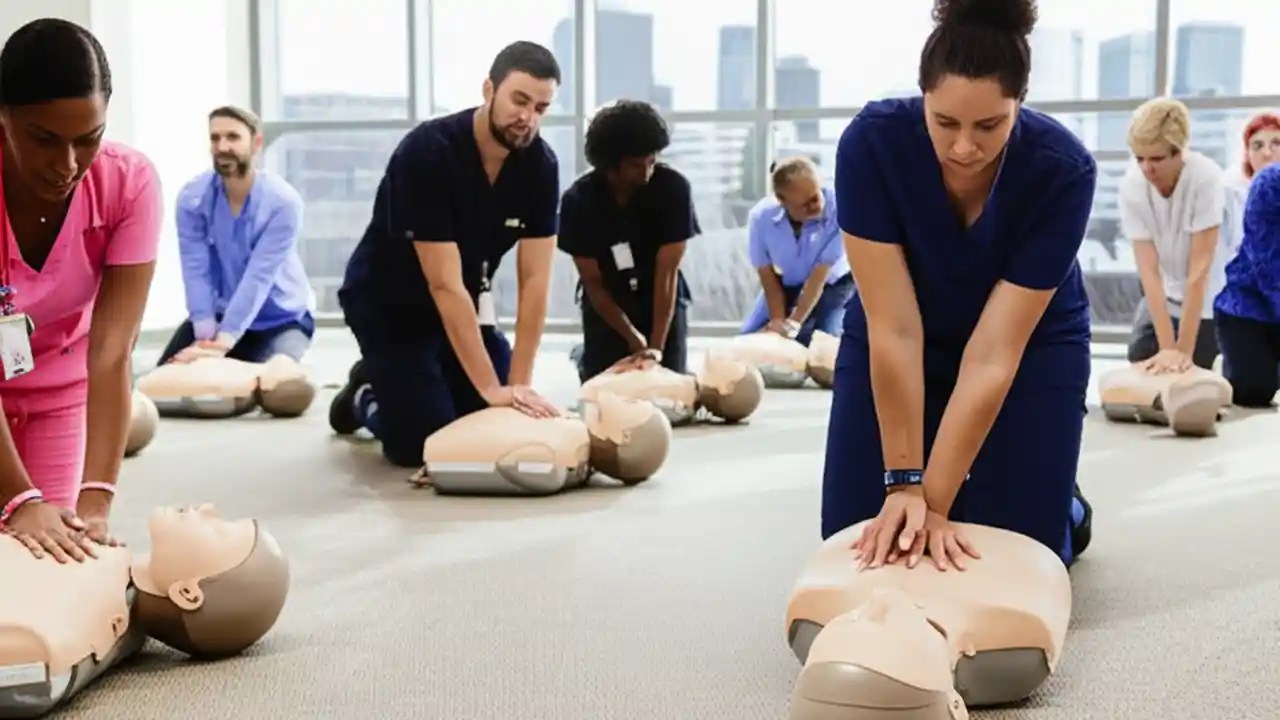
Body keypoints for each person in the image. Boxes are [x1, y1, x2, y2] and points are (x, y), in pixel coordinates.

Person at [822, 0, 1096, 571]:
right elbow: (894, 331)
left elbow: (994, 354)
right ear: (922, 97)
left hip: (1028, 350)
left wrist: (937, 502)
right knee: (858, 537)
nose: (963, 147)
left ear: (1018, 105)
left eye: (989, 125)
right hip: (894, 334)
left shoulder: (1062, 169)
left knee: (1017, 555)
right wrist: (903, 485)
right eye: (944, 122)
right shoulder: (870, 146)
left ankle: (1062, 503)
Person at [328, 41, 562, 468]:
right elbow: (444, 283)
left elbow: (535, 282)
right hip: (390, 306)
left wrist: (517, 389)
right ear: (489, 90)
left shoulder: (541, 166)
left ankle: (407, 381)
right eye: (519, 100)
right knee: (426, 444)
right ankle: (367, 392)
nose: (527, 118)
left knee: (484, 427)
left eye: (541, 108)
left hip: (463, 309)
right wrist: (493, 389)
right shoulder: (428, 152)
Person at [0, 19, 161, 561]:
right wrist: (19, 497)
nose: (67, 165)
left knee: (48, 564)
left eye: (88, 139)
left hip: (57, 395)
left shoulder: (129, 183)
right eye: (43, 139)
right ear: (4, 118)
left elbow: (113, 349)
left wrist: (96, 500)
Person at [159, 105, 314, 367]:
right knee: (161, 381)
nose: (222, 146)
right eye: (215, 138)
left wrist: (226, 341)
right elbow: (195, 268)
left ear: (256, 143)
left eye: (232, 137)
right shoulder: (193, 198)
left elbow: (259, 275)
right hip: (218, 317)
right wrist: (205, 338)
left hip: (279, 321)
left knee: (278, 388)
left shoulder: (283, 203)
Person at [558, 99, 699, 382]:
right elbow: (593, 283)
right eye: (636, 165)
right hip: (608, 298)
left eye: (652, 161)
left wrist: (655, 349)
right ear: (610, 165)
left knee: (668, 385)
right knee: (605, 385)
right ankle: (584, 356)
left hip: (659, 294)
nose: (646, 173)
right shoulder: (578, 202)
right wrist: (633, 338)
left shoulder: (673, 189)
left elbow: (667, 275)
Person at [1119, 97, 1225, 374]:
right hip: (1167, 289)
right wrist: (1167, 349)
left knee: (1198, 363)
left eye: (1157, 159)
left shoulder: (1206, 178)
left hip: (1211, 296)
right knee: (1142, 354)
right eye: (1140, 158)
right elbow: (1148, 271)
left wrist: (1183, 354)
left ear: (1180, 153)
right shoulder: (1132, 185)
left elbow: (1198, 272)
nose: (1147, 168)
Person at [740, 156, 854, 346]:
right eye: (805, 203)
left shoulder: (840, 207)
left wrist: (793, 323)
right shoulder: (760, 218)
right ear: (782, 201)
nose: (815, 206)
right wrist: (778, 322)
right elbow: (767, 275)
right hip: (787, 283)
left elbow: (819, 274)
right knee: (749, 339)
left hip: (833, 285)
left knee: (824, 340)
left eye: (816, 197)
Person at [1213, 161, 1280, 407]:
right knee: (1254, 392)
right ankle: (1229, 364)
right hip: (1249, 306)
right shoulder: (1269, 183)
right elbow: (1265, 262)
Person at [1221, 112, 1280, 262]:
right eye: (1257, 146)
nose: (1267, 153)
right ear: (1247, 154)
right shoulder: (1230, 197)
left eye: (1276, 143)